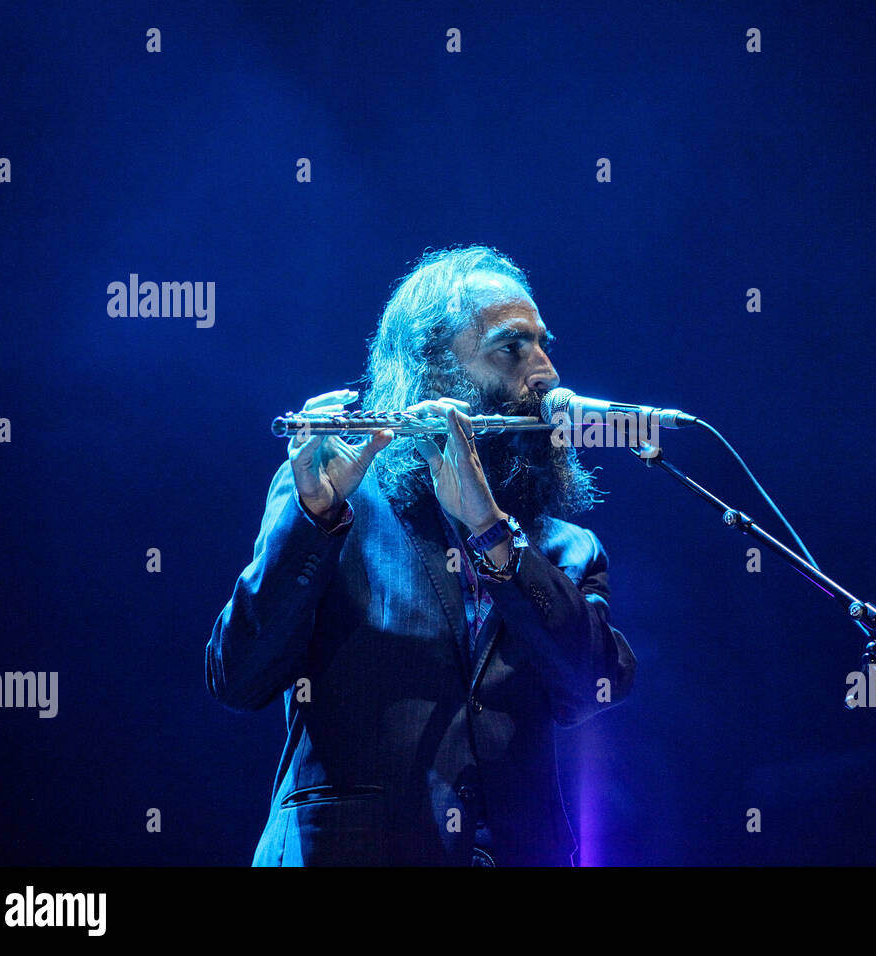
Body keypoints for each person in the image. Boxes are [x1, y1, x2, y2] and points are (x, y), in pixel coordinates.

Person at [205, 245, 637, 866]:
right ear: (436, 377)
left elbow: (592, 690)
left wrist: (490, 532)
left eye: (544, 345)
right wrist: (314, 524)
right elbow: (237, 678)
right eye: (511, 348)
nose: (545, 373)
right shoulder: (337, 501)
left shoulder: (563, 549)